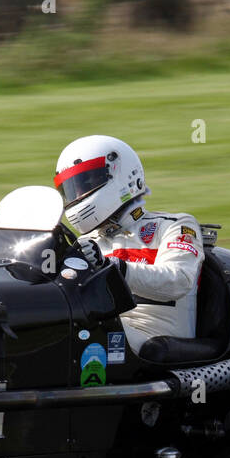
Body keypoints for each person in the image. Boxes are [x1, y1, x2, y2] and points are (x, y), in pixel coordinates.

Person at [53, 134, 204, 354]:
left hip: (158, 337)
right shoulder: (86, 244)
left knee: (76, 339)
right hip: (108, 327)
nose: (78, 195)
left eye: (86, 183)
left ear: (123, 175)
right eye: (72, 189)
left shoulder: (175, 225)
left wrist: (113, 267)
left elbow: (179, 280)